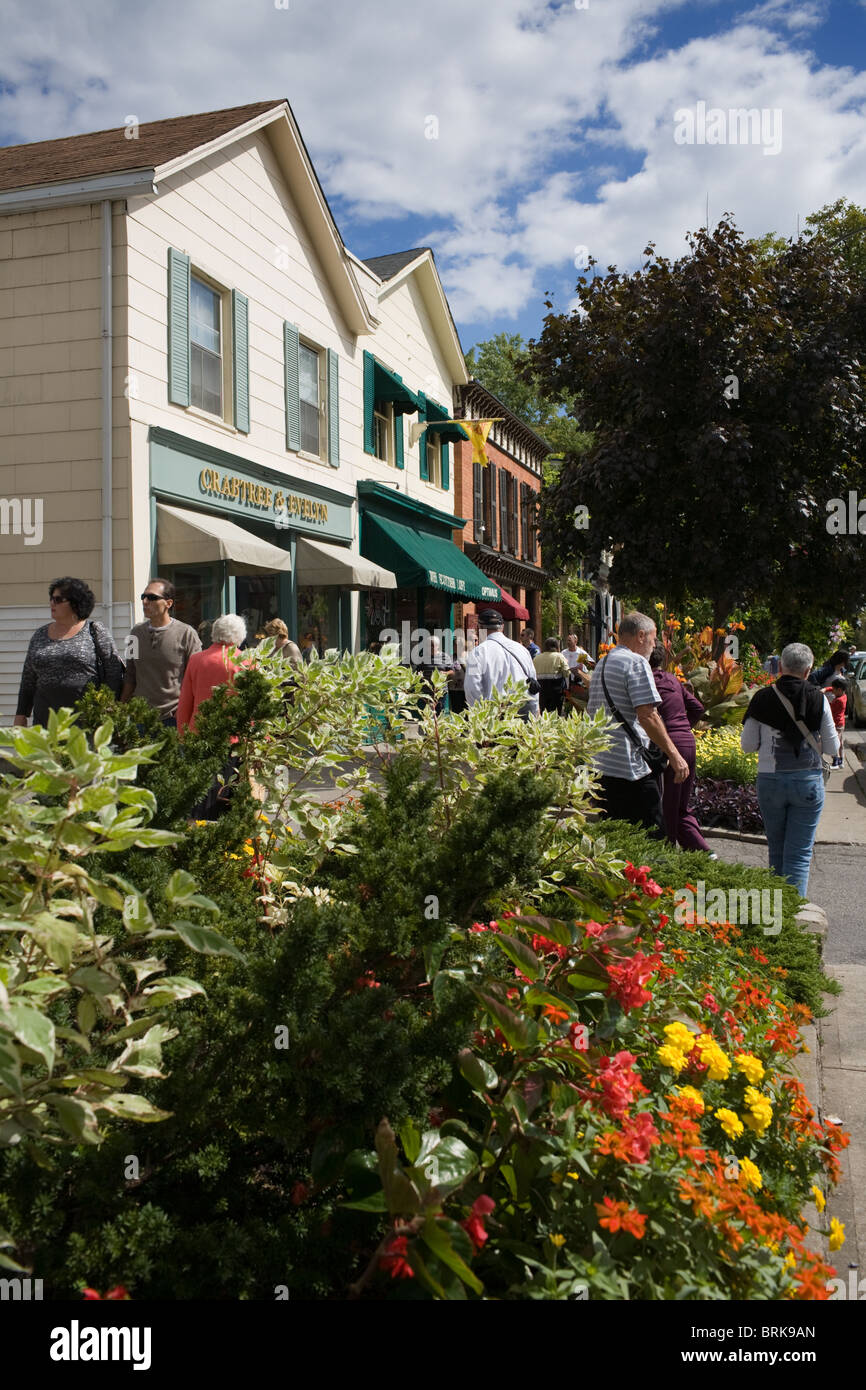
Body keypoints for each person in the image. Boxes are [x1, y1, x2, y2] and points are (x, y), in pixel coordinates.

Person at [741, 642, 839, 897]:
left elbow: (748, 745)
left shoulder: (762, 698)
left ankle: (779, 909)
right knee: (800, 854)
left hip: (770, 781)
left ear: (781, 667)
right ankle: (794, 912)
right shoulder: (819, 698)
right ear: (808, 670)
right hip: (807, 782)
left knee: (776, 849)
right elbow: (832, 747)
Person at [586, 611, 688, 836]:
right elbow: (648, 715)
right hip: (630, 768)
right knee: (653, 837)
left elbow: (591, 710)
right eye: (653, 639)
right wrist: (674, 755)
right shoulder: (636, 662)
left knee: (616, 839)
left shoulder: (603, 663)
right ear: (641, 636)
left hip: (603, 766)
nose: (654, 646)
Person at [14, 577, 124, 726]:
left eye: (58, 599)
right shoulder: (39, 634)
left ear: (75, 603)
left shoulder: (95, 631)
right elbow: (28, 679)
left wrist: (107, 708)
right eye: (51, 598)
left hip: (85, 722)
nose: (52, 603)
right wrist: (21, 714)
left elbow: (114, 673)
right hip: (45, 723)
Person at [648, 644, 711, 852]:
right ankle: (701, 852)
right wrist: (684, 726)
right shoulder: (672, 679)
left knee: (668, 805)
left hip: (669, 746)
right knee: (681, 806)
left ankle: (671, 852)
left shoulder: (647, 681)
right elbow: (697, 707)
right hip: (688, 742)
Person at [119, 578, 201, 727]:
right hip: (140, 717)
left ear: (168, 603)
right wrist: (121, 708)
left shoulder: (187, 634)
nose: (145, 602)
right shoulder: (135, 633)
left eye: (152, 597)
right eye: (143, 597)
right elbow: (130, 674)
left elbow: (195, 678)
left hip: (173, 717)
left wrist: (186, 711)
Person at [176, 613, 246, 737]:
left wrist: (182, 734)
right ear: (241, 635)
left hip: (199, 731)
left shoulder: (196, 660)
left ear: (214, 633)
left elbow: (185, 702)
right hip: (234, 735)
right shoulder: (246, 662)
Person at [464, 609, 540, 719]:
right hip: (524, 708)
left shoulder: (477, 652)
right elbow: (533, 683)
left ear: (479, 628)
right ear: (502, 627)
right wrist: (535, 709)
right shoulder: (522, 649)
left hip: (496, 712)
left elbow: (472, 688)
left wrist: (480, 714)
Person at [533, 637, 571, 715]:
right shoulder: (559, 656)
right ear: (556, 646)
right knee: (555, 714)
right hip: (556, 691)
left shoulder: (536, 658)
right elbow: (567, 673)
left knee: (543, 713)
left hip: (541, 691)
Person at [823, 677, 847, 768]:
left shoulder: (838, 701)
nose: (832, 692)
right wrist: (826, 689)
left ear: (839, 690)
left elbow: (829, 708)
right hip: (841, 723)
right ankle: (841, 760)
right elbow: (832, 688)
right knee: (840, 742)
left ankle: (836, 761)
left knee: (835, 742)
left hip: (836, 724)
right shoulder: (844, 696)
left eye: (834, 690)